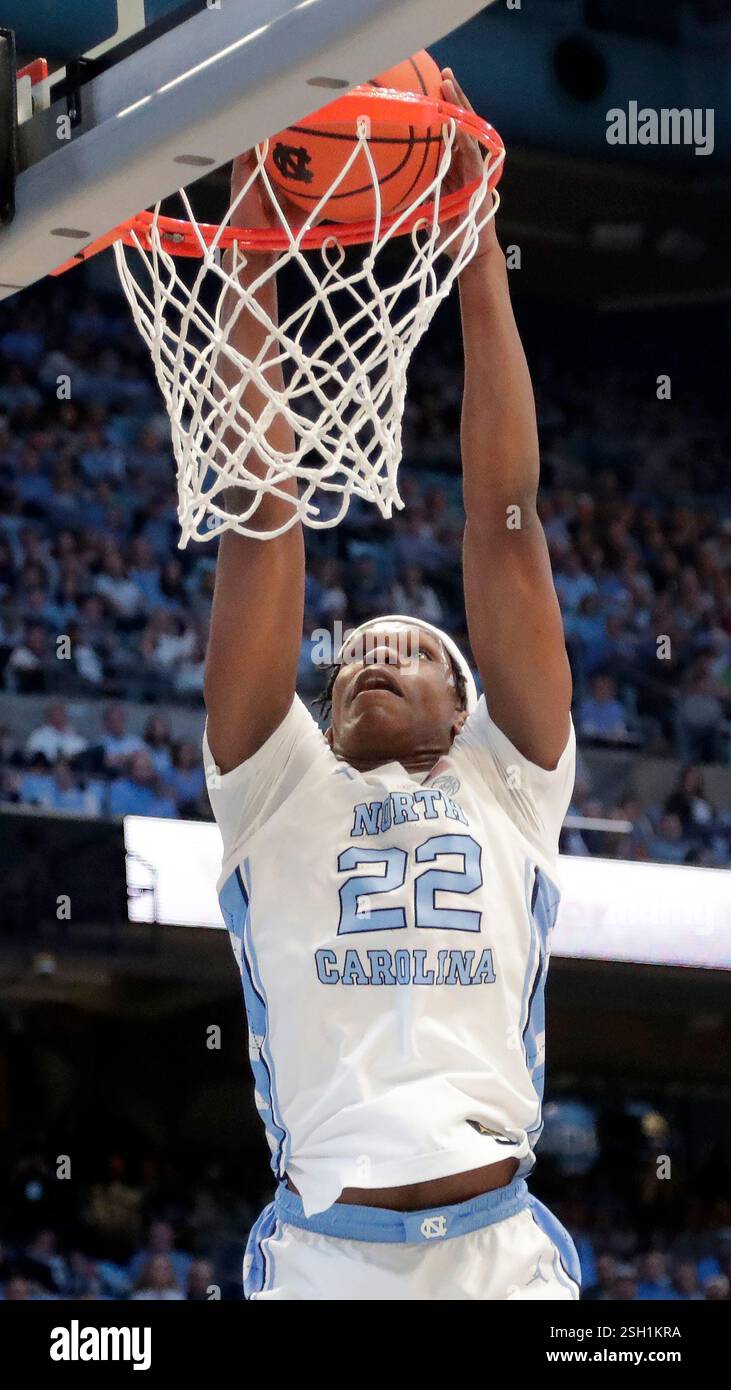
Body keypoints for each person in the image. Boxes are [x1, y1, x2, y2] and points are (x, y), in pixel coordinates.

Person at [203, 71, 578, 1302]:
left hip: (499, 1250)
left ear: (466, 713)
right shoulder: (273, 786)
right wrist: (254, 251)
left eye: (411, 647)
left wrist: (475, 251)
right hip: (325, 1258)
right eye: (356, 648)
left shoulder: (512, 785)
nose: (369, 649)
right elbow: (265, 517)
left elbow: (504, 524)